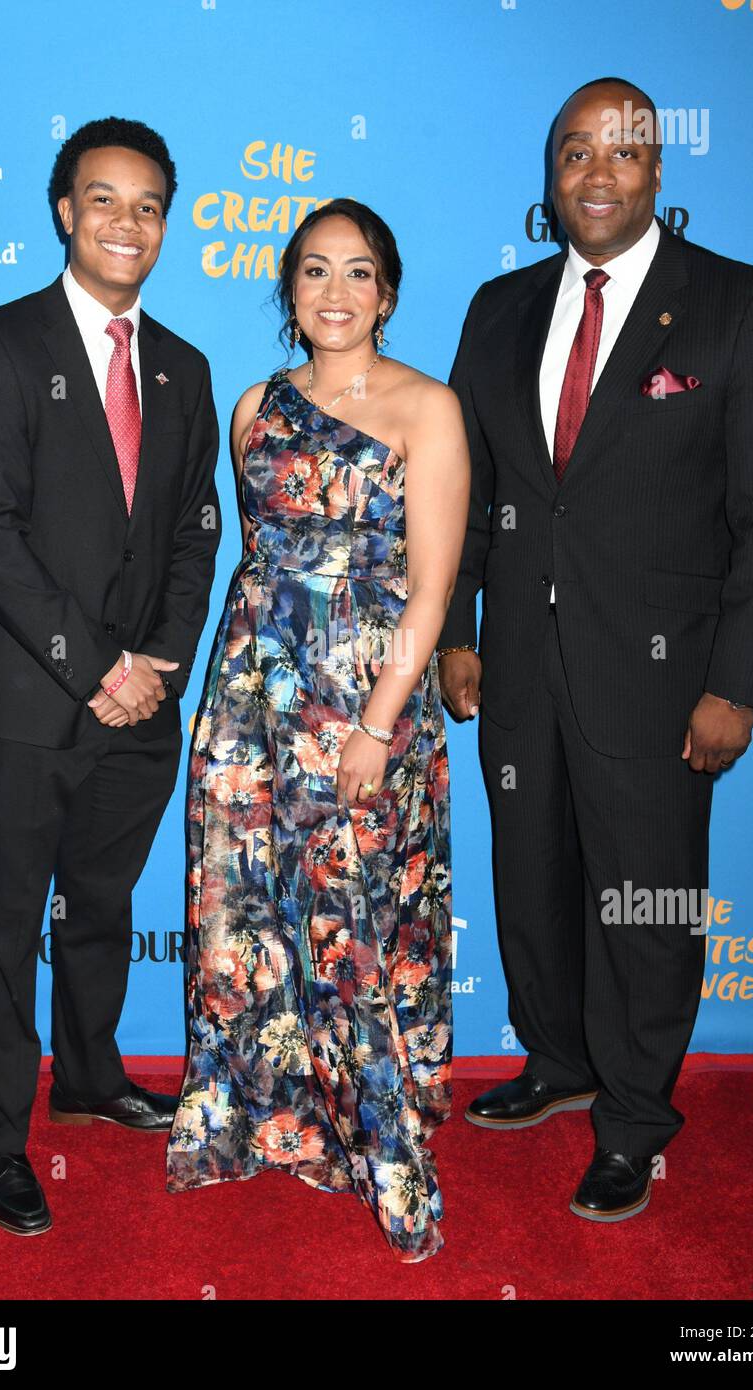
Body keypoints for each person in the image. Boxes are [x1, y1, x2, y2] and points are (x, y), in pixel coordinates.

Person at [437, 77, 753, 1221]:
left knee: (646, 901)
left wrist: (738, 687)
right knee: (535, 878)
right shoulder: (498, 309)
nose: (597, 174)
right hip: (519, 668)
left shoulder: (740, 307)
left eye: (623, 152)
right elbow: (465, 490)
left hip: (663, 680)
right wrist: (461, 629)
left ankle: (636, 1119)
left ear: (660, 171)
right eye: (574, 154)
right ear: (549, 176)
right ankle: (559, 1060)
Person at [165, 198, 469, 1261]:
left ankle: (382, 1141)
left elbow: (429, 592)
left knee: (355, 914)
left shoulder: (429, 408)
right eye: (313, 272)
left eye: (358, 272)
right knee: (249, 903)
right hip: (253, 693)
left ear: (387, 291)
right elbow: (266, 559)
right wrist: (254, 694)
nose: (335, 292)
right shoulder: (255, 405)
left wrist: (379, 724)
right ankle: (268, 1113)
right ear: (289, 291)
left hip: (368, 702)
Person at [0, 117, 221, 1235]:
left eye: (148, 205)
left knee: (102, 906)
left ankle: (94, 1076)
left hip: (140, 707)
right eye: (104, 200)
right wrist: (95, 664)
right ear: (66, 210)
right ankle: (0, 1139)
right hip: (24, 702)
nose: (127, 223)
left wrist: (154, 667)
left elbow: (198, 534)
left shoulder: (186, 368)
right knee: (8, 920)